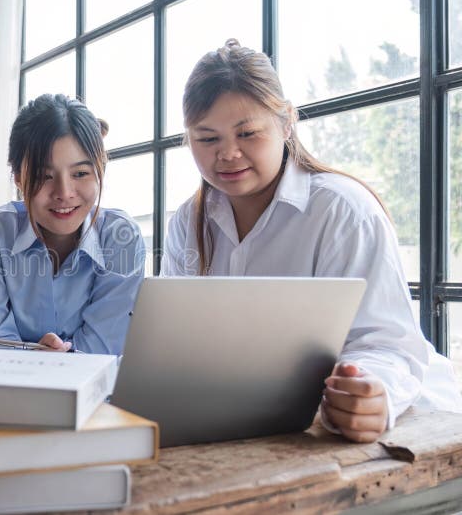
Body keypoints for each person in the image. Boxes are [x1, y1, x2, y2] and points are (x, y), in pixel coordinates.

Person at [162, 39, 462, 443]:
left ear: (286, 123)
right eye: (207, 138)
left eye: (247, 132)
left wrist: (373, 392)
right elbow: (180, 341)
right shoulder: (189, 220)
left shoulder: (342, 210)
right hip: (266, 429)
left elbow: (388, 345)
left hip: (407, 428)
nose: (228, 154)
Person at [0, 94, 145, 354]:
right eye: (44, 176)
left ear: (101, 169)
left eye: (80, 174)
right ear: (17, 178)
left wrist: (48, 361)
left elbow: (105, 347)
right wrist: (44, 362)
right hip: (9, 389)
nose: (64, 192)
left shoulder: (121, 237)